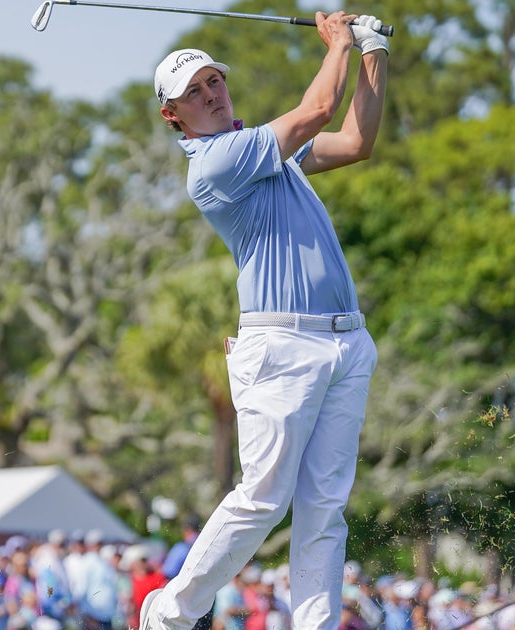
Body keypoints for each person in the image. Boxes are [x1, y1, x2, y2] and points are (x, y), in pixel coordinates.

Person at [141, 9, 389, 630]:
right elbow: (315, 111)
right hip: (282, 347)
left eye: (212, 82)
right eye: (192, 95)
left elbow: (357, 141)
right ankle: (171, 611)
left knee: (325, 508)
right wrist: (337, 42)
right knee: (264, 497)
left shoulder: (271, 154)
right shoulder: (217, 163)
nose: (209, 96)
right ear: (175, 116)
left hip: (345, 342)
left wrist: (371, 55)